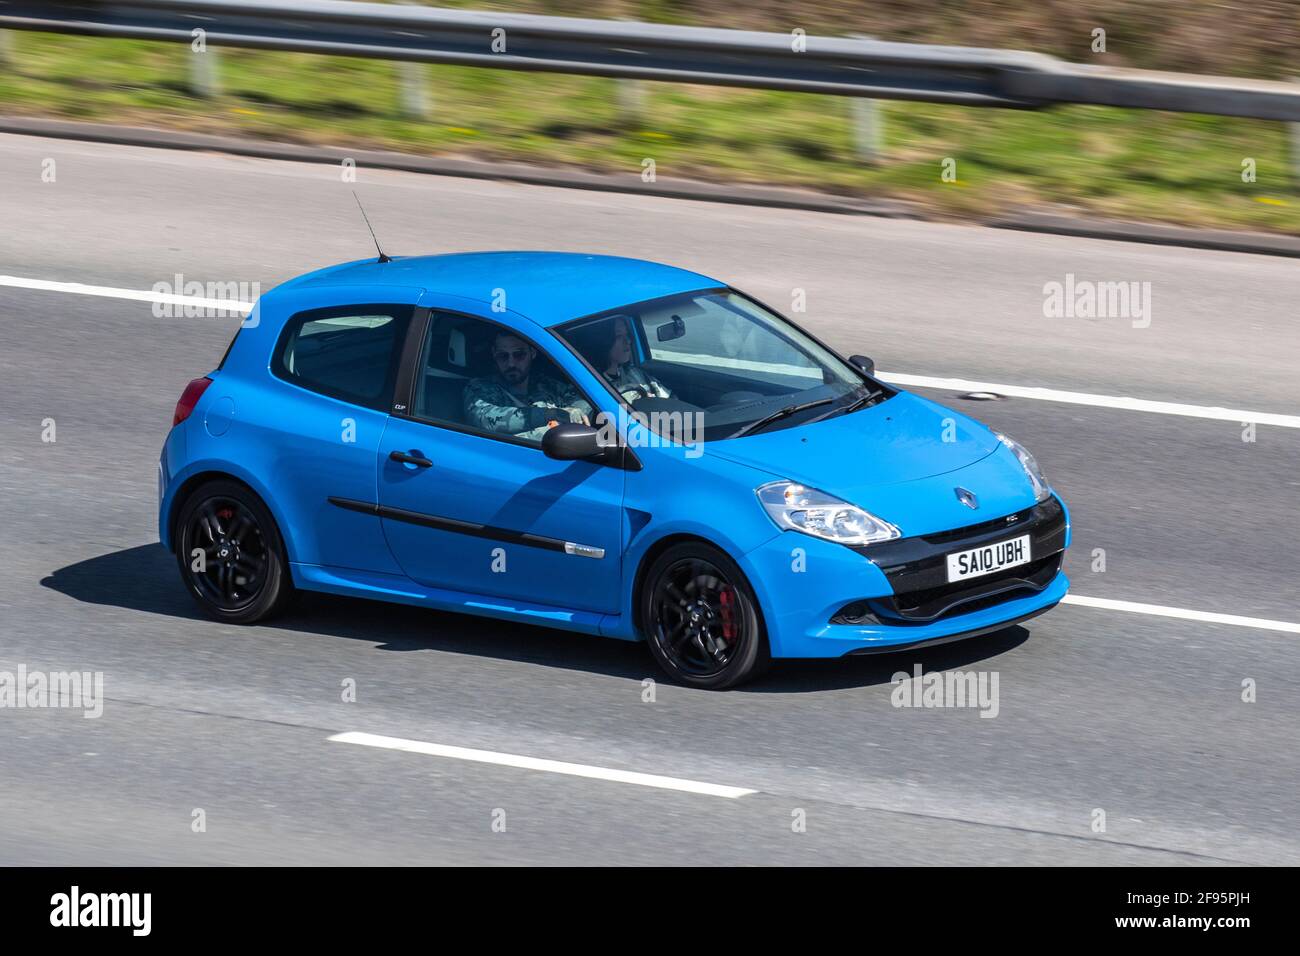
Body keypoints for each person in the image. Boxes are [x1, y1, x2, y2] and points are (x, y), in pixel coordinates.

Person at [463, 331, 593, 442]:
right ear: (494, 354)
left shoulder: (548, 385)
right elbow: (487, 420)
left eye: (519, 354)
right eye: (503, 356)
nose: (511, 363)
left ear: (532, 353)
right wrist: (551, 415)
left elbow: (583, 402)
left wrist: (575, 415)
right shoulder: (479, 388)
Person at [602, 316, 671, 402]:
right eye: (619, 336)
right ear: (604, 341)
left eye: (627, 335)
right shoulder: (592, 385)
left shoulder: (635, 373)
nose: (627, 341)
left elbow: (668, 398)